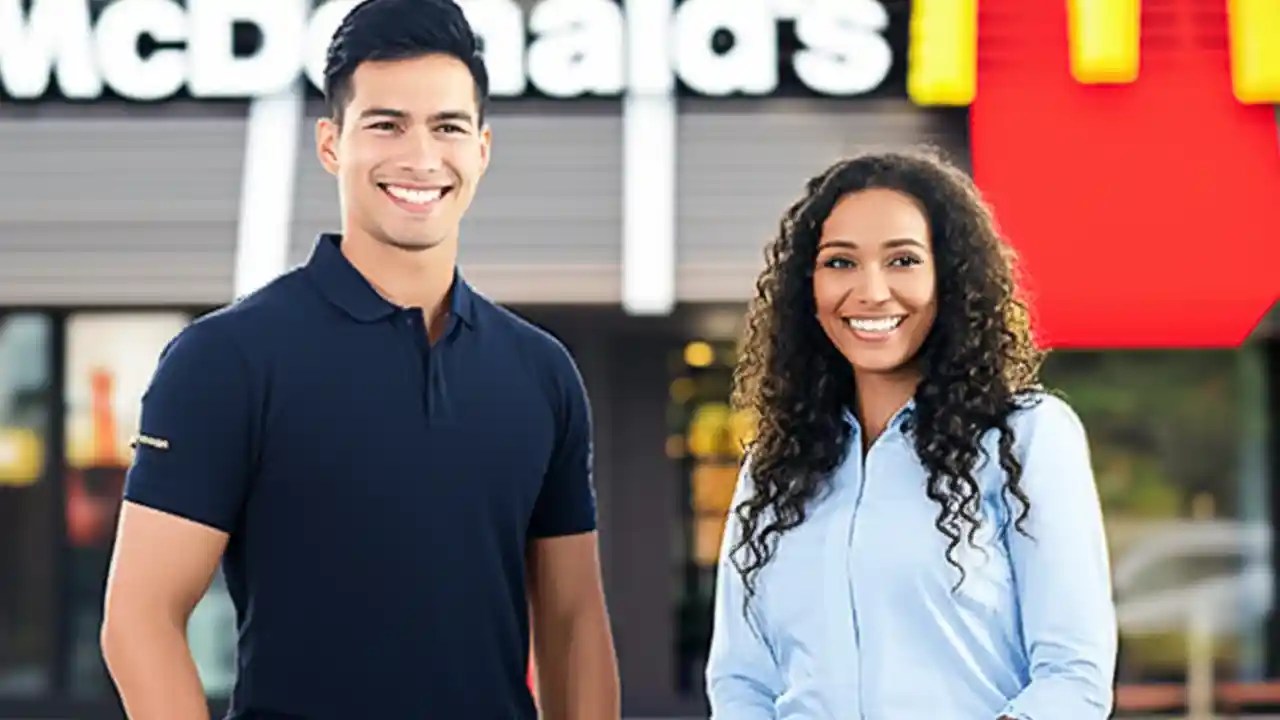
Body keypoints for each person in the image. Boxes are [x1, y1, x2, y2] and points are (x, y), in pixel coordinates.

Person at [99, 1, 620, 717]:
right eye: (386, 124)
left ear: (482, 149)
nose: (421, 157)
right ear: (330, 144)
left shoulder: (541, 374)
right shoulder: (226, 360)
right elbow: (139, 619)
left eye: (447, 127)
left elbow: (572, 625)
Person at [706, 149, 1117, 719]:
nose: (871, 291)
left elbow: (1074, 678)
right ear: (809, 287)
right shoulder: (776, 466)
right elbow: (740, 681)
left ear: (949, 278)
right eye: (840, 263)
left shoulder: (1024, 438)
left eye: (902, 260)